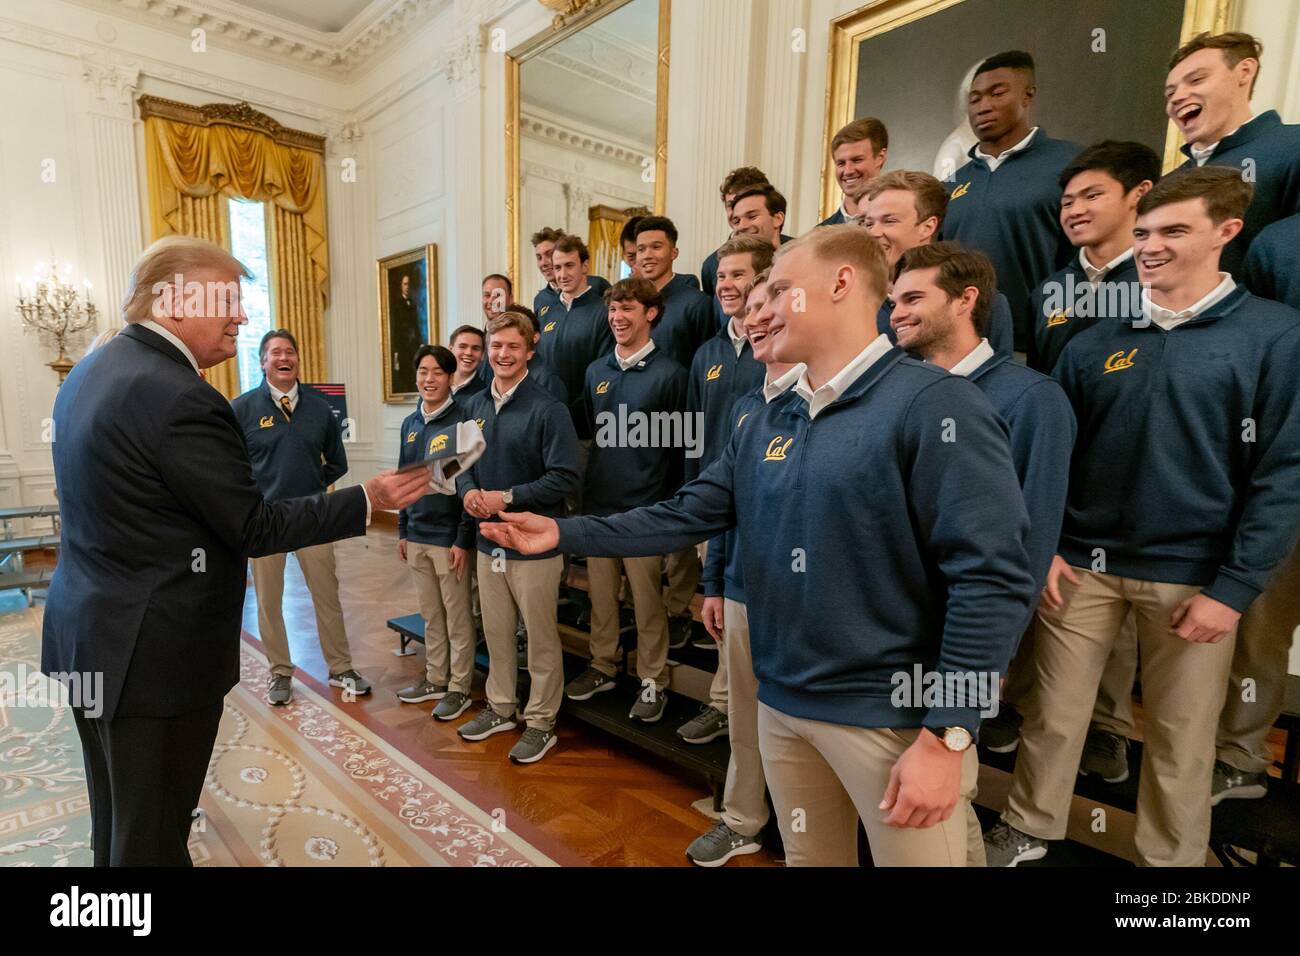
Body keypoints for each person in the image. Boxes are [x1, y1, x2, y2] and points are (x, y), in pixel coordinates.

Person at [481, 225, 1037, 866]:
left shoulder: (937, 404)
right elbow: (692, 510)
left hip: (890, 717)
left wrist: (949, 735)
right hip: (780, 700)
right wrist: (564, 531)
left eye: (778, 289)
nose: (759, 307)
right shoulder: (768, 414)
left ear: (840, 283)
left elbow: (992, 578)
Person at [42, 236, 430, 866]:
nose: (242, 316)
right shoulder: (180, 396)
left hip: (93, 635)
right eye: (227, 298)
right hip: (154, 654)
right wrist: (369, 497)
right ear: (171, 300)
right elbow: (250, 526)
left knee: (120, 816)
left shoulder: (94, 368)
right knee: (152, 834)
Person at [984, 166, 1300, 867]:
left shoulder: (1275, 337)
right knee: (1054, 721)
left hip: (1195, 581)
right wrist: (1049, 547)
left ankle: (1172, 867)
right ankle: (1030, 827)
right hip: (1081, 570)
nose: (1152, 246)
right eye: (1147, 232)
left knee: (1182, 739)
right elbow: (1053, 458)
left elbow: (1283, 475)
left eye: (1174, 231)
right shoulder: (1096, 341)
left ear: (1226, 231)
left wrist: (1234, 589)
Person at [889, 244, 1076, 797]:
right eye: (894, 299)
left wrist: (988, 663)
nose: (896, 311)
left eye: (914, 298)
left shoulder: (1032, 398)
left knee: (943, 793)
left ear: (966, 300)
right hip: (895, 629)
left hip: (964, 634)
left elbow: (1031, 543)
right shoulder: (897, 390)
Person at [685, 267, 804, 866]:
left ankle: (805, 824)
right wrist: (712, 582)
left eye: (767, 305)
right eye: (748, 307)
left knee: (799, 724)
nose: (754, 317)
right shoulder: (742, 407)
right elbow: (721, 506)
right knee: (744, 718)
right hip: (738, 588)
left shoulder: (825, 401)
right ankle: (742, 819)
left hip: (805, 597)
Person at [455, 311, 580, 764]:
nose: (502, 354)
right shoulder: (474, 407)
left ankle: (542, 721)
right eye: (496, 346)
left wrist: (505, 496)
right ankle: (501, 707)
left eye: (512, 346)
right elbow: (461, 466)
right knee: (498, 631)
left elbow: (565, 477)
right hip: (489, 541)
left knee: (541, 637)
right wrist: (469, 494)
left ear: (530, 351)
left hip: (534, 546)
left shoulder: (549, 408)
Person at [563, 277, 687, 723]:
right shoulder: (596, 372)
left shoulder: (672, 374)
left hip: (647, 512)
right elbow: (597, 439)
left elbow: (680, 449)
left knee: (648, 605)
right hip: (599, 507)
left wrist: (671, 514)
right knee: (600, 599)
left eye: (627, 308)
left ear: (650, 313)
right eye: (613, 309)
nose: (617, 317)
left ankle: (653, 681)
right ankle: (603, 666)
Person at [233, 329, 370, 706]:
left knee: (327, 597)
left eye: (290, 351)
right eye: (275, 352)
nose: (283, 357)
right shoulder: (240, 410)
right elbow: (232, 467)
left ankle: (341, 668)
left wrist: (312, 489)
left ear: (297, 360)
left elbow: (337, 463)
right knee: (268, 602)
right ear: (262, 362)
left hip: (313, 519)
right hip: (264, 522)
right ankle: (280, 672)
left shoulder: (321, 409)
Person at [676, 235, 771, 746]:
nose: (727, 285)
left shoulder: (776, 345)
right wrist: (694, 494)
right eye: (721, 277)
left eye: (738, 275)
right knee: (720, 612)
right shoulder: (707, 353)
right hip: (714, 498)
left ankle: (752, 712)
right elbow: (692, 429)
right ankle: (723, 704)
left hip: (763, 502)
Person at [941, 50, 1080, 361]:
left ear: (1028, 96)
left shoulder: (1070, 163)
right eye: (974, 99)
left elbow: (1083, 257)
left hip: (1033, 348)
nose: (983, 106)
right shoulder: (952, 182)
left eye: (997, 93)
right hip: (957, 346)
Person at [1168, 31, 1300, 276]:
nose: (1177, 98)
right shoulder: (1168, 184)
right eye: (1170, 93)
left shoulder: (1294, 145)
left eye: (1196, 80)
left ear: (1245, 72)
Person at [395, 344, 477, 722]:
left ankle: (459, 688)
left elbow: (469, 485)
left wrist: (463, 538)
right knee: (431, 615)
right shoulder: (410, 424)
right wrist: (402, 529)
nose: (429, 379)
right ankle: (435, 678)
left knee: (457, 618)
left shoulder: (464, 423)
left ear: (450, 377)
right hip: (417, 534)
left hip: (448, 538)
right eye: (423, 372)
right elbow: (404, 478)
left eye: (437, 373)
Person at [1030, 140, 1158, 375]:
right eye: (1067, 203)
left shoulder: (1163, 285)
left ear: (1140, 193)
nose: (1075, 211)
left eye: (1092, 196)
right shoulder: (1048, 290)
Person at [856, 170, 1013, 355]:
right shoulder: (853, 300)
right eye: (868, 224)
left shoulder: (978, 302)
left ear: (927, 227)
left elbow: (996, 378)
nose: (873, 232)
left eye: (889, 221)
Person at [700, 167, 770, 300]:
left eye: (745, 204)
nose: (737, 212)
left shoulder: (794, 252)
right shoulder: (711, 265)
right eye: (731, 205)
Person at [818, 117, 888, 226]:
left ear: (880, 157)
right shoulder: (819, 235)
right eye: (841, 163)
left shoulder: (906, 225)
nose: (848, 171)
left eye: (857, 160)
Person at [390, 271, 425, 394]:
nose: (407, 286)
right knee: (404, 373)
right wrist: (396, 351)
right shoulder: (397, 305)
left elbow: (416, 325)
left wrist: (420, 342)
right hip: (402, 346)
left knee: (413, 372)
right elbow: (396, 328)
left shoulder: (412, 304)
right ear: (401, 286)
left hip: (413, 345)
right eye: (405, 284)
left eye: (409, 284)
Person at [449, 324, 487, 399]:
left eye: (475, 348)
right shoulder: (435, 385)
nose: (469, 352)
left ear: (482, 354)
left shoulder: (485, 396)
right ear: (450, 350)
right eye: (462, 346)